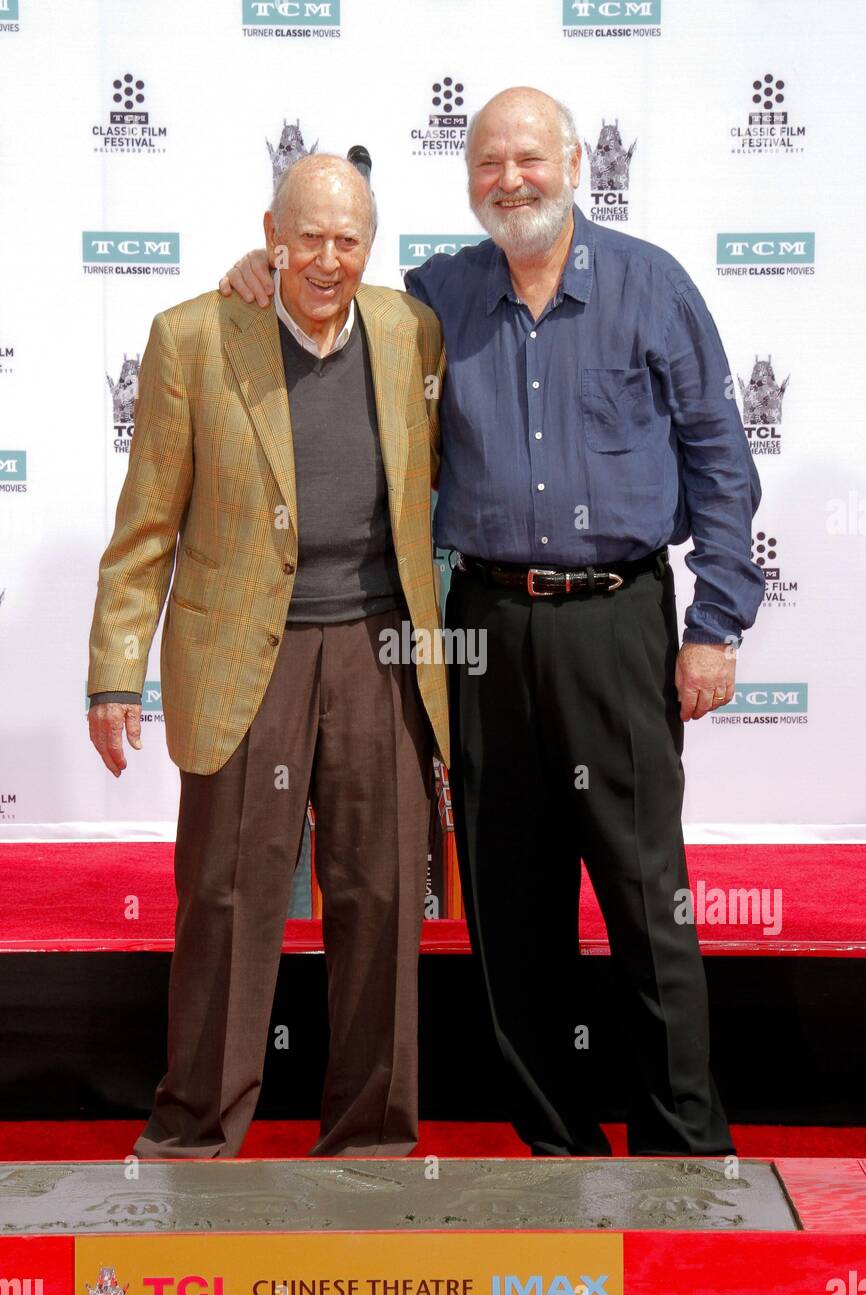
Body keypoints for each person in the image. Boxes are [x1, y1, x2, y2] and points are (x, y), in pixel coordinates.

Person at [219, 87, 765, 1157]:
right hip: (480, 632)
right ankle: (556, 1150)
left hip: (617, 628)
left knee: (648, 902)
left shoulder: (651, 287)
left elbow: (718, 457)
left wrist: (717, 621)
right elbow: (324, 302)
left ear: (572, 161)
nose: (508, 179)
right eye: (486, 164)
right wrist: (253, 274)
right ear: (467, 182)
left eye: (527, 157)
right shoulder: (436, 299)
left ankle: (683, 1148)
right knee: (511, 914)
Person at [87, 154, 447, 1158]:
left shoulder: (410, 329)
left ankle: (371, 1140)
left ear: (370, 246)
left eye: (349, 240)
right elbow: (145, 527)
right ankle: (193, 1135)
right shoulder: (192, 338)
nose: (328, 259)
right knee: (227, 898)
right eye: (308, 238)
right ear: (269, 234)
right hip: (250, 651)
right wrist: (118, 667)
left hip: (380, 649)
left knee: (380, 897)